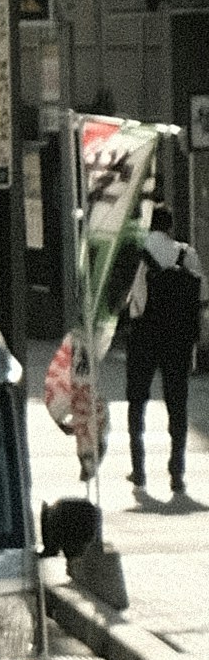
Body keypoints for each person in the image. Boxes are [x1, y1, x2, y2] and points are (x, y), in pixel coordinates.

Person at [121, 202, 205, 500]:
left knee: (137, 401)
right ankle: (176, 472)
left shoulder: (139, 256)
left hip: (144, 334)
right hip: (178, 338)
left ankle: (139, 468)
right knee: (177, 403)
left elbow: (135, 299)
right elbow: (201, 295)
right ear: (170, 226)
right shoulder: (187, 254)